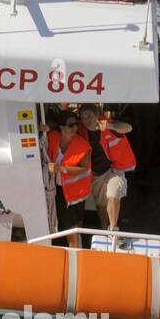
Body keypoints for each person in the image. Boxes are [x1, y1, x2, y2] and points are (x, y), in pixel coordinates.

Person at [79, 104, 136, 233]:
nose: (87, 120)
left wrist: (110, 126)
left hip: (113, 170)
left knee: (113, 194)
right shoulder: (81, 130)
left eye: (90, 116)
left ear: (97, 115)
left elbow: (129, 128)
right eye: (83, 117)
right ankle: (104, 231)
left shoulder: (108, 125)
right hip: (96, 174)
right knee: (101, 207)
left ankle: (113, 230)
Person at [47, 112, 91, 248]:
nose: (74, 128)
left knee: (73, 225)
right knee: (68, 224)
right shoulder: (53, 137)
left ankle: (75, 252)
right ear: (61, 127)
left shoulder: (83, 145)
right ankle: (76, 248)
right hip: (58, 190)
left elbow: (84, 168)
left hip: (76, 193)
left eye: (76, 125)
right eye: (70, 125)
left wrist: (61, 169)